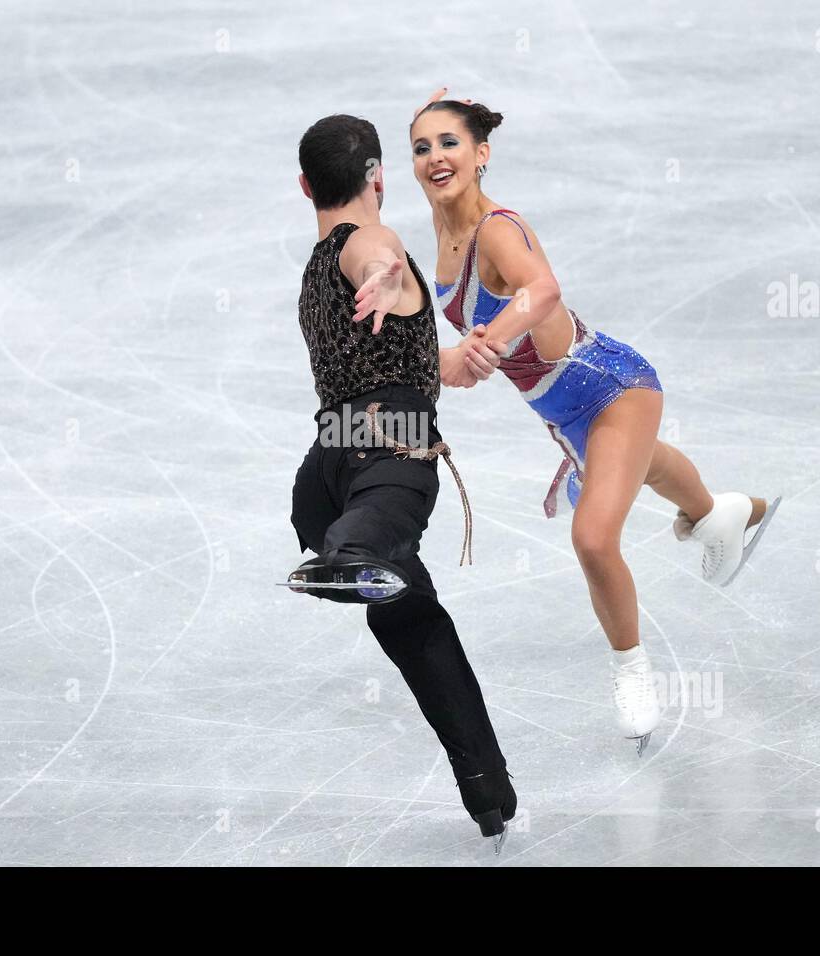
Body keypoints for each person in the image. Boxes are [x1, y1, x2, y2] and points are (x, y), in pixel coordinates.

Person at [410, 90, 781, 755]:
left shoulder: (499, 228)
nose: (436, 157)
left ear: (482, 154)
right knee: (650, 465)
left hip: (613, 388)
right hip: (565, 416)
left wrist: (490, 340)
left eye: (450, 143)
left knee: (592, 537)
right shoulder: (444, 228)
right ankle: (724, 512)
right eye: (422, 146)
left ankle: (632, 670)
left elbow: (543, 288)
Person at [285, 113, 516, 848]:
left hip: (327, 466)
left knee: (416, 624)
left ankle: (487, 787)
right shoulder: (368, 247)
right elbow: (374, 253)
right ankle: (353, 558)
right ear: (379, 178)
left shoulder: (315, 269)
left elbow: (400, 359)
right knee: (377, 542)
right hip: (388, 450)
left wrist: (458, 361)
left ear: (304, 186)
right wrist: (386, 267)